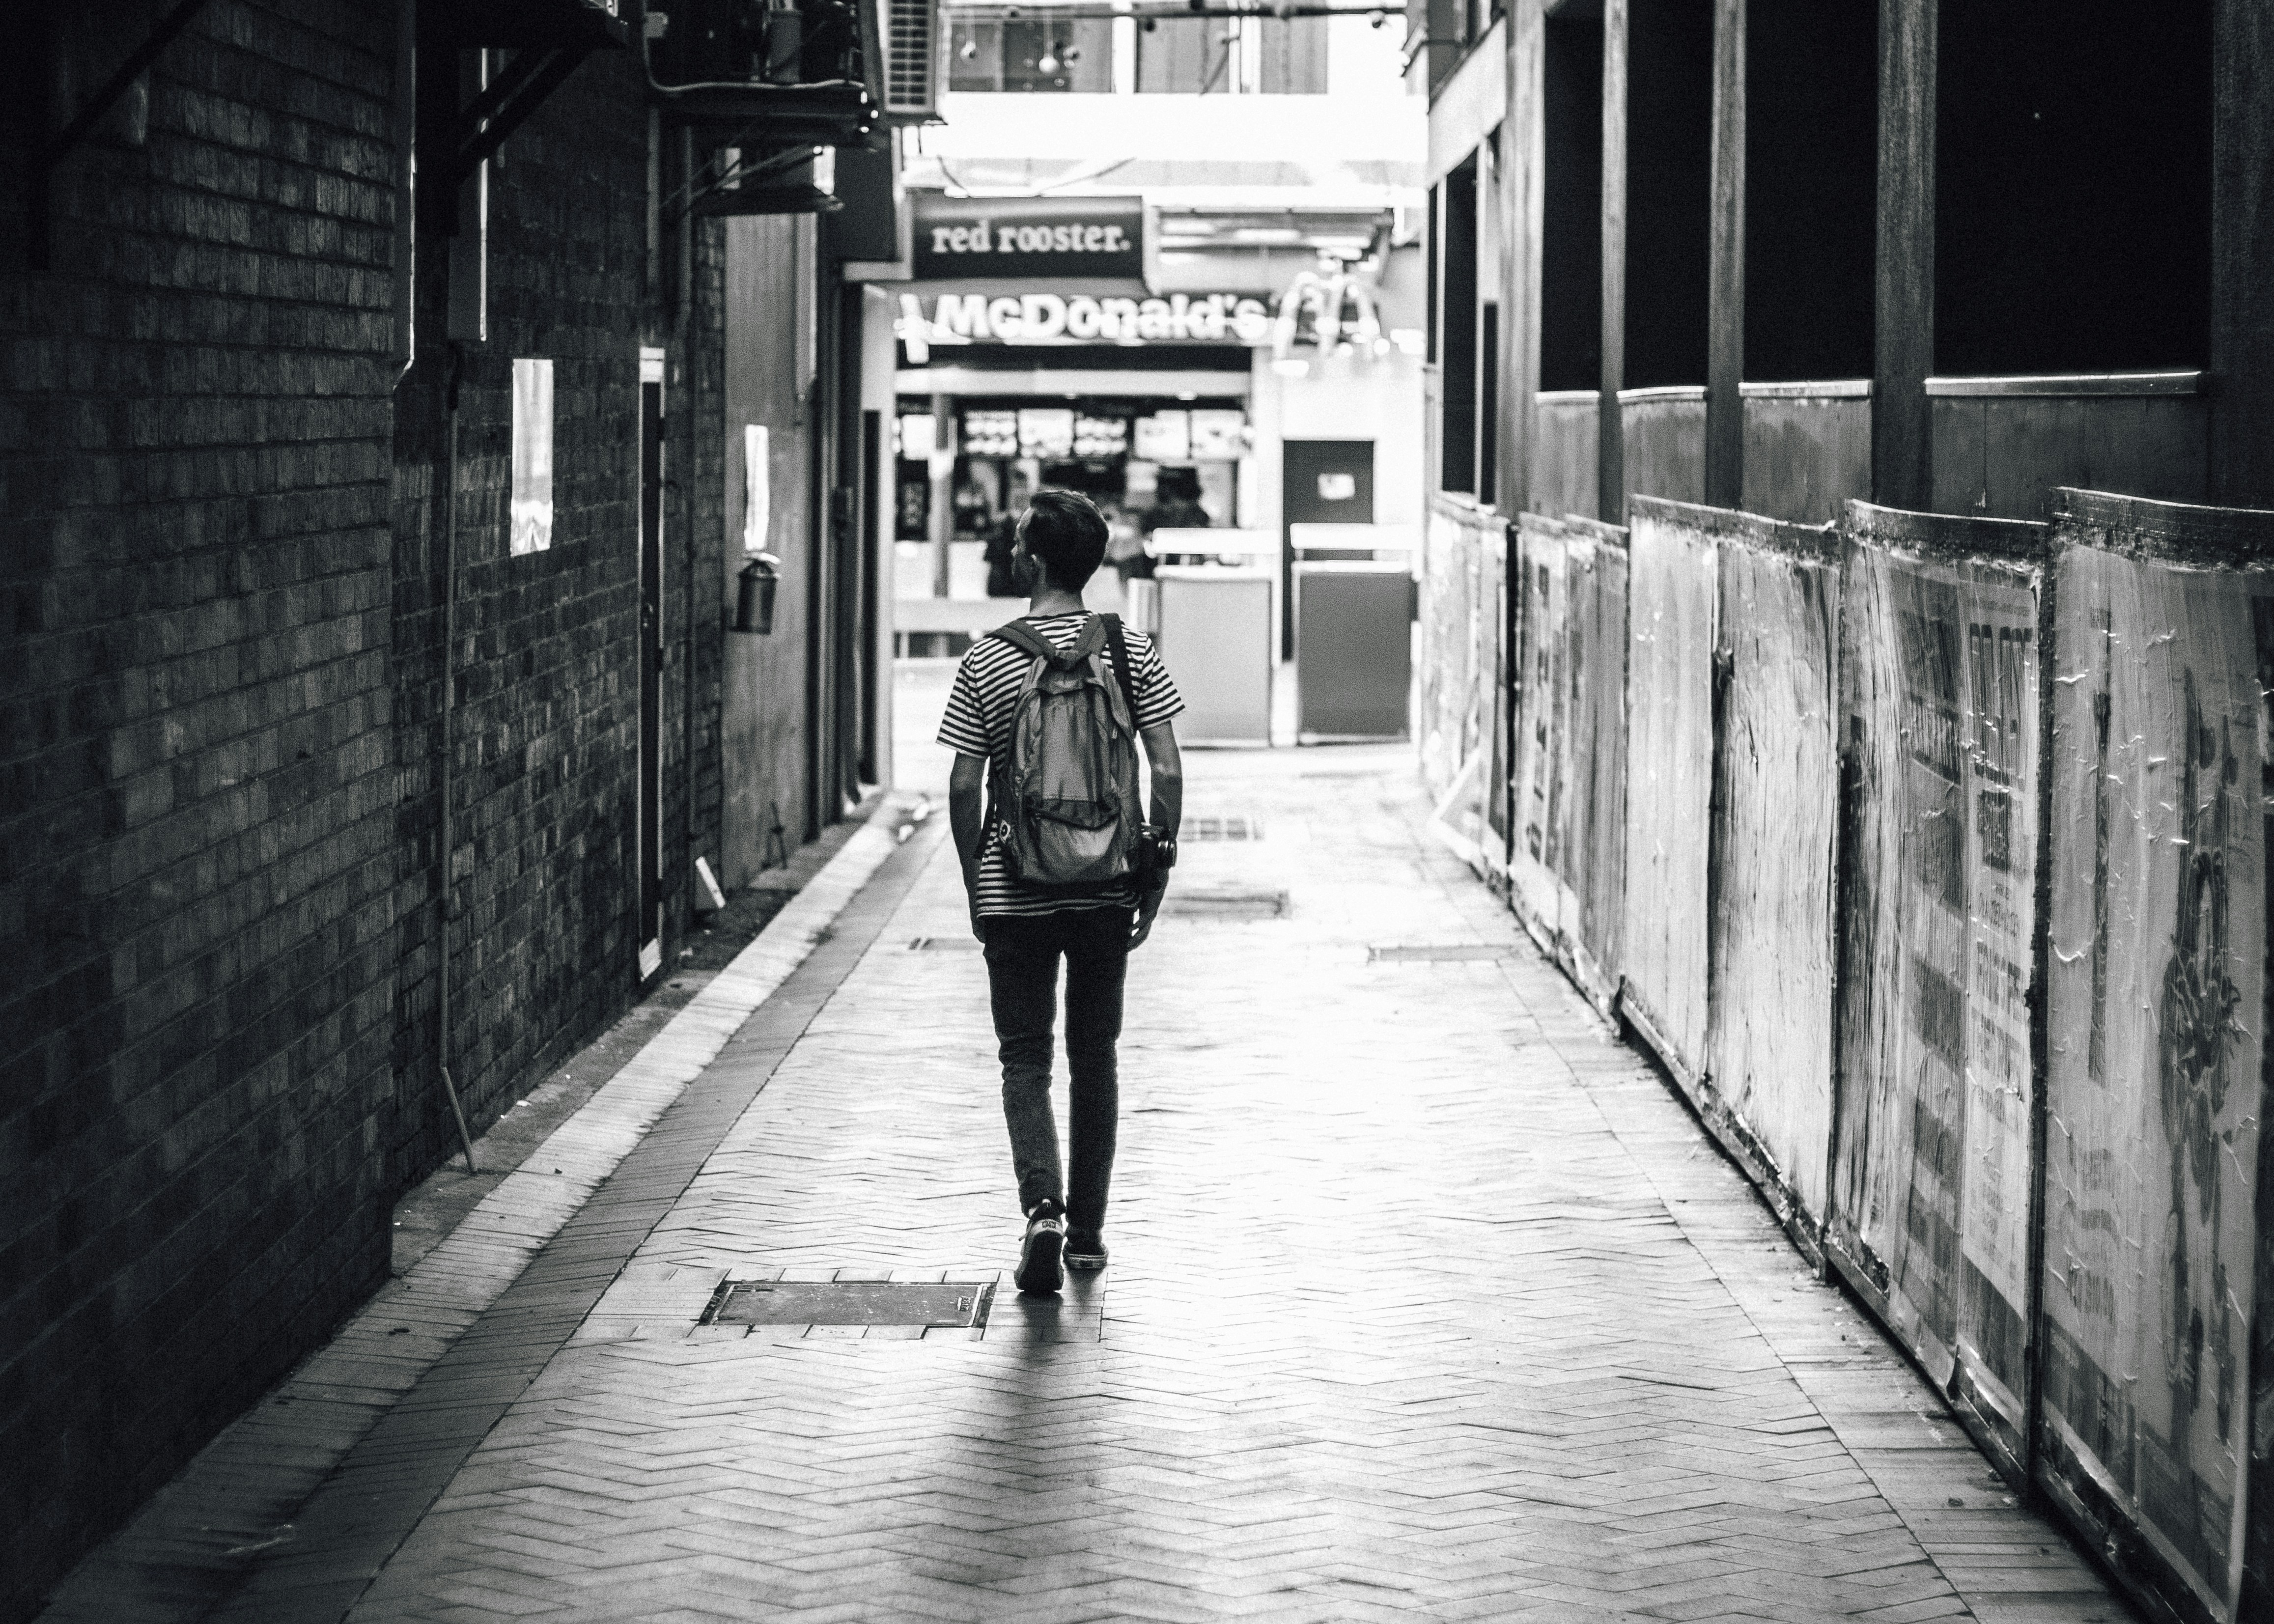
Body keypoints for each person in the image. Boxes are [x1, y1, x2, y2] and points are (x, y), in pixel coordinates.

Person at [938, 490, 1185, 1294]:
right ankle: (1087, 1237)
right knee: (1094, 1057)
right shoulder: (1130, 650)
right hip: (1108, 884)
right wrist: (1154, 864)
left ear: (1036, 559)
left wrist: (980, 880)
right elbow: (1169, 768)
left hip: (1017, 887)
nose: (1010, 553)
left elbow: (964, 786)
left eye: (1016, 542)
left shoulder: (987, 659)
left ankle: (1040, 1208)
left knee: (1024, 1056)